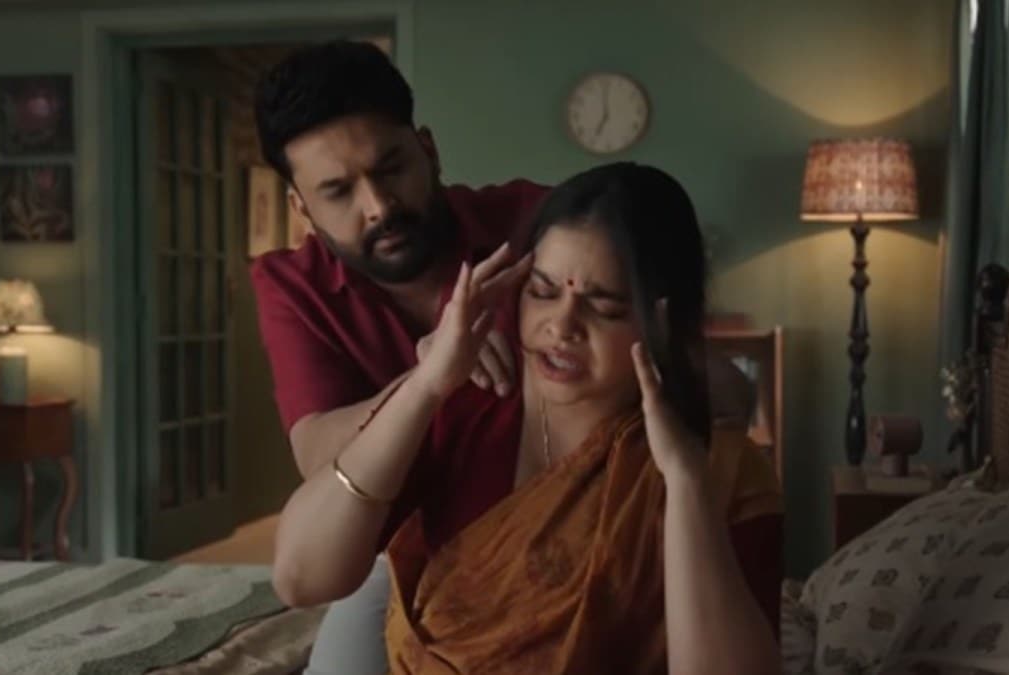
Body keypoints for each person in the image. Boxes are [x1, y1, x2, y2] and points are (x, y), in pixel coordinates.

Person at [252, 40, 760, 674]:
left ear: (428, 150)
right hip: (395, 540)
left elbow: (724, 390)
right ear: (300, 208)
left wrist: (682, 465)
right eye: (337, 191)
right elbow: (316, 476)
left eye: (392, 168)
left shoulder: (547, 225)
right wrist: (429, 381)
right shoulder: (297, 289)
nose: (378, 206)